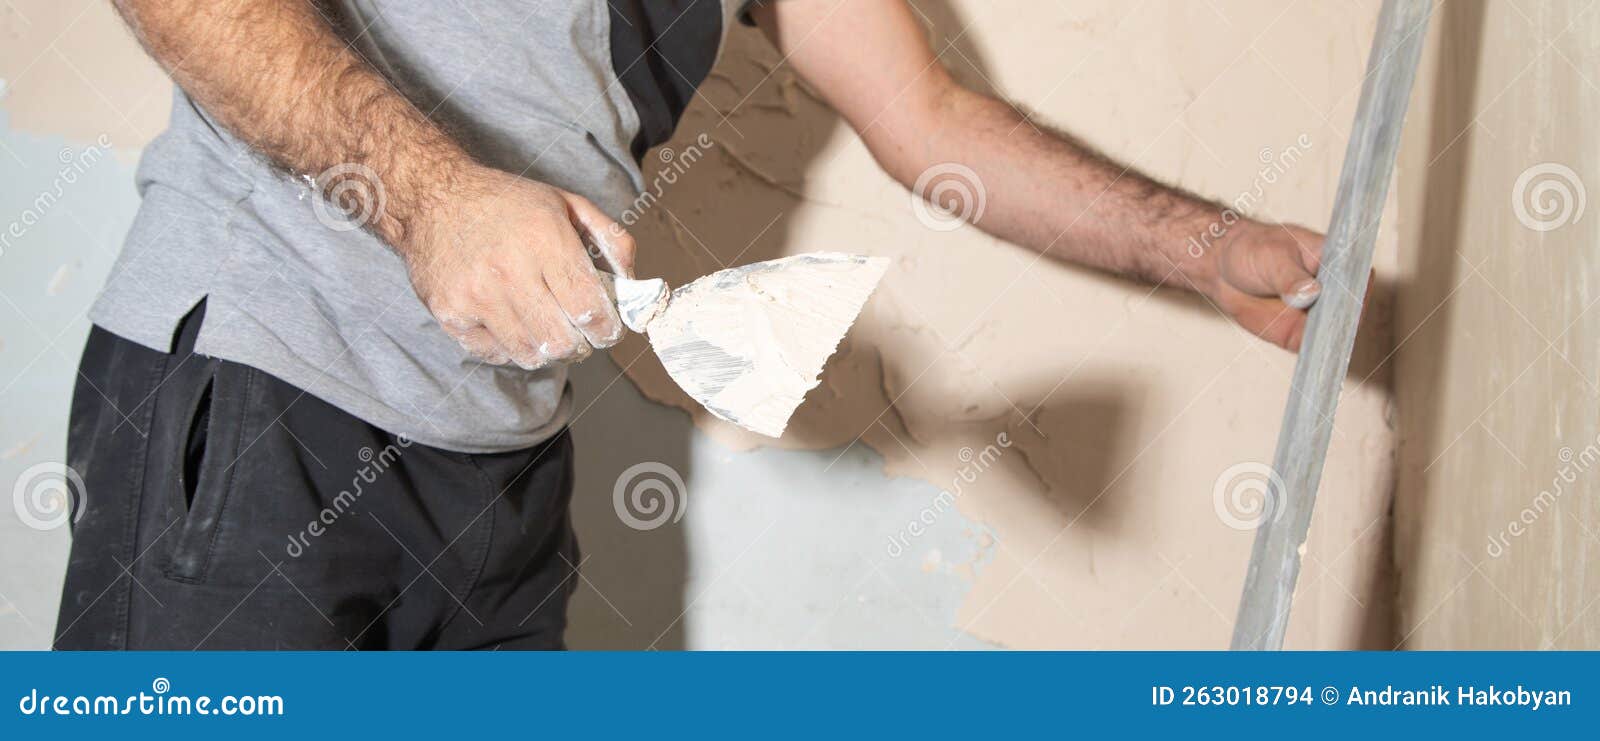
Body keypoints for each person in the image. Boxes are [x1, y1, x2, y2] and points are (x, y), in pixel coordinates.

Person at [56, 0, 1324, 650]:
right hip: (271, 397)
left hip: (503, 472)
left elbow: (929, 121)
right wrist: (431, 199)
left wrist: (1205, 245)